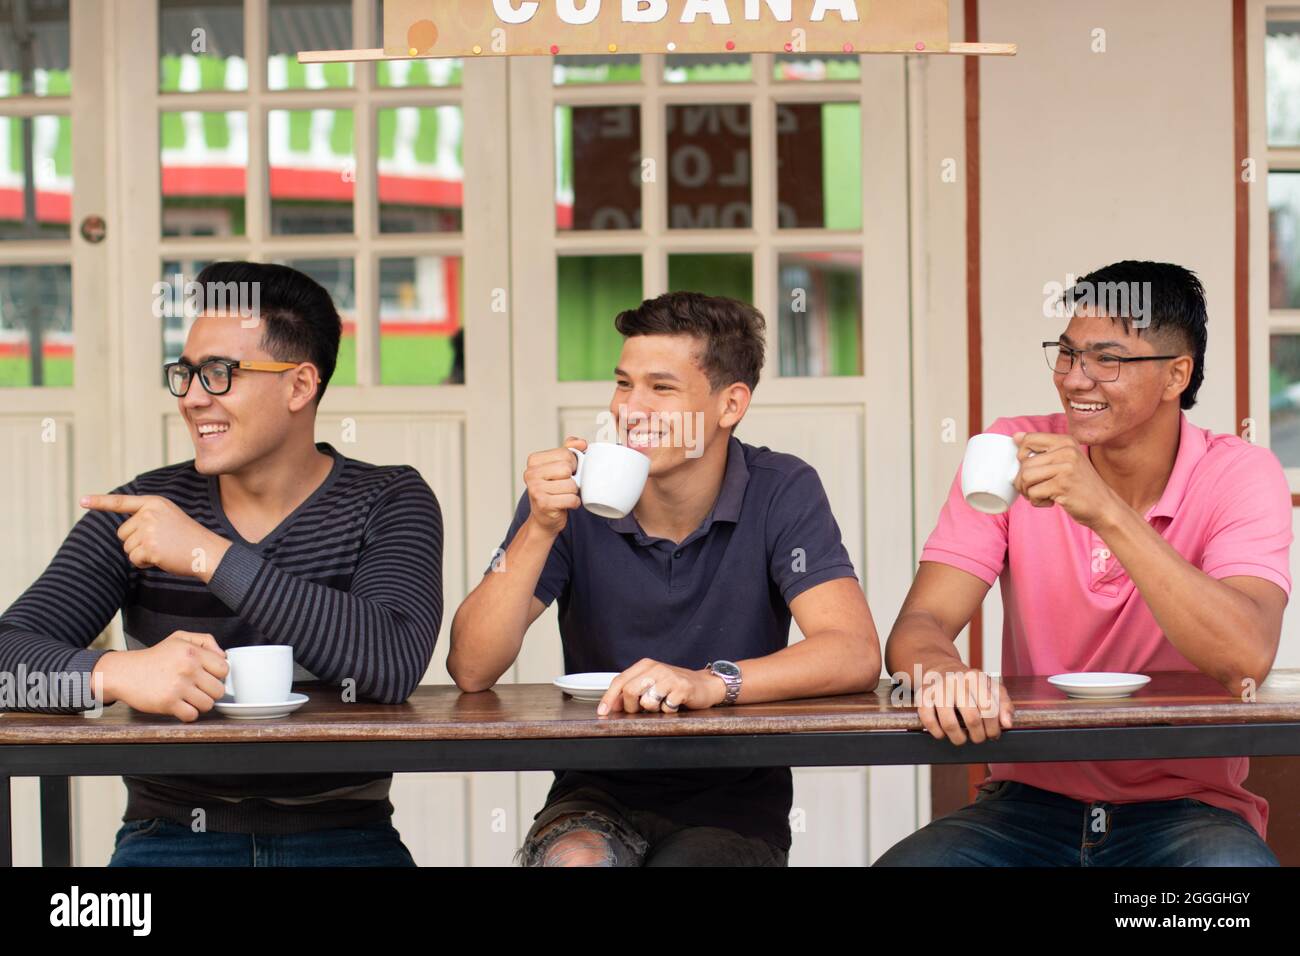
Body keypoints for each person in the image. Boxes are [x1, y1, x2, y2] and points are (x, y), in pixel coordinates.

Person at [0, 261, 444, 866]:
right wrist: (116, 674)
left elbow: (390, 662)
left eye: (218, 374)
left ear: (299, 385)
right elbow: (7, 659)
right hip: (169, 839)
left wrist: (209, 556)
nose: (192, 398)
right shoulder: (143, 512)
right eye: (184, 374)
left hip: (345, 836)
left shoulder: (388, 501)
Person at [876, 260, 1289, 866]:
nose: (1075, 379)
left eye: (1107, 360)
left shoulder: (1239, 474)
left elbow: (1245, 655)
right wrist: (944, 671)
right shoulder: (1012, 451)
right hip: (1025, 803)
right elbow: (920, 625)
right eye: (1066, 355)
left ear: (1177, 375)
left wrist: (1106, 513)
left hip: (1187, 812)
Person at [449, 291, 882, 866]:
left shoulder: (781, 489)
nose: (632, 408)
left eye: (662, 388)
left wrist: (711, 682)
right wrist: (539, 527)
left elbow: (852, 651)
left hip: (733, 800)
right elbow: (472, 667)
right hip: (594, 789)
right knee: (575, 861)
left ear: (731, 405)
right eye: (624, 383)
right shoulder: (570, 498)